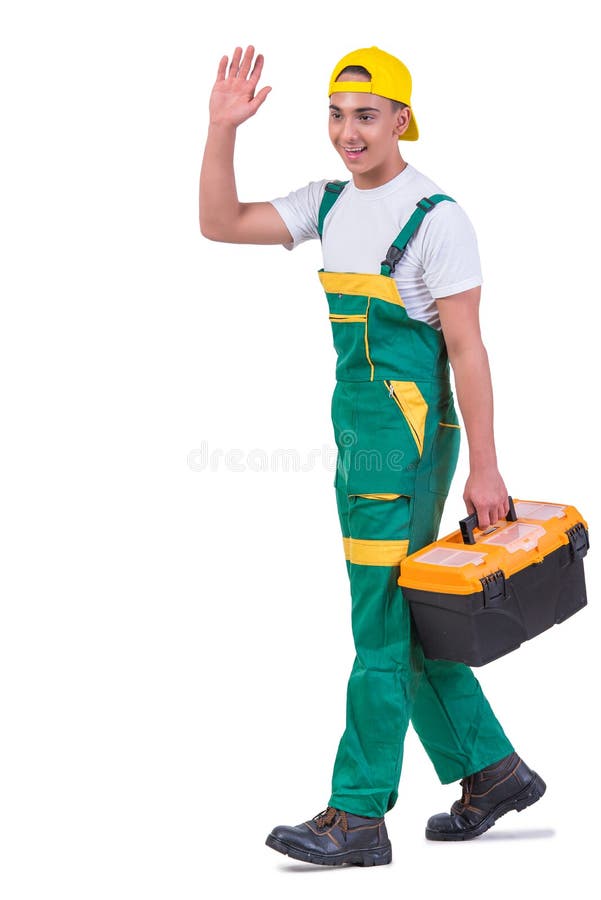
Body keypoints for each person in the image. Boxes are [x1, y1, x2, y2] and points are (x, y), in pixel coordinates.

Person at [199, 44, 546, 865]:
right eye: (334, 115)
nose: (347, 134)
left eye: (364, 116)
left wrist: (485, 467)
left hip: (409, 447)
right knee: (406, 614)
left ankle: (356, 814)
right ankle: (491, 771)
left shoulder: (436, 218)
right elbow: (220, 223)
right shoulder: (328, 204)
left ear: (400, 118)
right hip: (360, 443)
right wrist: (221, 131)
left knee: (378, 628)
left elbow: (467, 349)